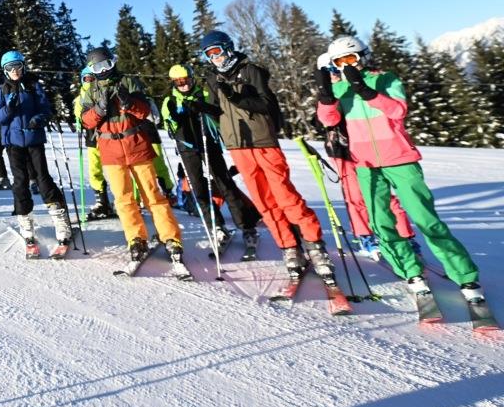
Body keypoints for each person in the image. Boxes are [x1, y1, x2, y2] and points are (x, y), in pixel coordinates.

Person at [315, 35, 484, 302]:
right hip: (365, 164)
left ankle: (465, 275)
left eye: (351, 59)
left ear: (363, 57)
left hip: (401, 159)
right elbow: (328, 119)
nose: (347, 65)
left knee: (426, 219)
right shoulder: (340, 89)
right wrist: (326, 95)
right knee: (382, 223)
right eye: (340, 61)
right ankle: (410, 272)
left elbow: (397, 110)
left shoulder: (386, 79)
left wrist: (368, 92)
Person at [198, 30, 335, 279]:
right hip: (237, 146)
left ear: (227, 48)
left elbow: (267, 105)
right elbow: (219, 111)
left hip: (263, 141)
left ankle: (314, 244)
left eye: (216, 51)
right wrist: (203, 107)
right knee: (263, 201)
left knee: (285, 196)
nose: (214, 58)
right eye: (208, 54)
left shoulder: (250, 71)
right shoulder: (212, 79)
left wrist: (236, 97)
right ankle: (289, 246)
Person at [78, 47, 184, 267]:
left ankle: (171, 238)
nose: (104, 70)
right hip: (110, 151)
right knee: (124, 199)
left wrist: (130, 103)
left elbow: (145, 111)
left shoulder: (128, 82)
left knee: (152, 196)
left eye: (107, 64)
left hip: (136, 145)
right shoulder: (91, 90)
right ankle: (136, 238)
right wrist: (99, 109)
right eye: (98, 67)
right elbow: (86, 121)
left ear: (113, 62)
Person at [311, 54, 418, 261]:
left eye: (335, 72)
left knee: (386, 197)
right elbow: (323, 121)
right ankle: (365, 236)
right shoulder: (332, 92)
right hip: (342, 151)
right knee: (355, 197)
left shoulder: (353, 86)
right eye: (329, 74)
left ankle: (405, 235)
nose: (334, 77)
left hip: (369, 148)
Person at [161, 63, 262, 250]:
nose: (184, 85)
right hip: (188, 148)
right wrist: (176, 117)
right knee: (199, 189)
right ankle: (216, 227)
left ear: (192, 79)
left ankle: (247, 227)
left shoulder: (205, 93)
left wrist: (204, 108)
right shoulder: (170, 101)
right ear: (174, 83)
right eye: (179, 82)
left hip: (209, 143)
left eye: (187, 80)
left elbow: (219, 113)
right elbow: (169, 123)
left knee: (225, 184)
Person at [0, 50, 73, 255]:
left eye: (17, 66)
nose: (14, 71)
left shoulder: (34, 86)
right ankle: (27, 227)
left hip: (34, 141)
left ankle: (61, 224)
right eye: (10, 68)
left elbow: (45, 109)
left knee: (43, 180)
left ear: (23, 66)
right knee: (20, 183)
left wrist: (40, 119)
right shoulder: (1, 90)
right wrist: (8, 109)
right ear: (5, 71)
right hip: (13, 144)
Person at [74, 66, 116, 220]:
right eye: (86, 79)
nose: (89, 81)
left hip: (109, 134)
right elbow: (79, 114)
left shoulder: (102, 91)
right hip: (92, 137)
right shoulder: (81, 97)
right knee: (95, 169)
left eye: (92, 78)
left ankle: (125, 200)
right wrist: (78, 121)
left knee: (116, 169)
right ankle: (101, 201)